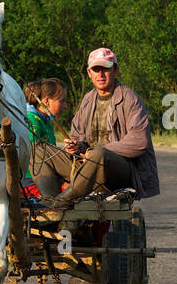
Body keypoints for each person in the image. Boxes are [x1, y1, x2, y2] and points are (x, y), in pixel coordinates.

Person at [33, 48, 159, 208]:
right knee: (37, 150)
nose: (100, 74)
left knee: (100, 153)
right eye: (96, 69)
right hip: (87, 167)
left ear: (116, 70)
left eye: (105, 68)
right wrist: (77, 146)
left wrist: (99, 151)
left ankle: (59, 204)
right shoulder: (88, 99)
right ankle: (48, 204)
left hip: (117, 172)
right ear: (89, 72)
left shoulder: (130, 99)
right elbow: (78, 137)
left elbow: (140, 142)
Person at [23, 78, 67, 188]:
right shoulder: (32, 121)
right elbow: (34, 159)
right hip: (32, 180)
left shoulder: (46, 119)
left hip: (48, 175)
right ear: (46, 101)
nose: (65, 106)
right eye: (61, 101)